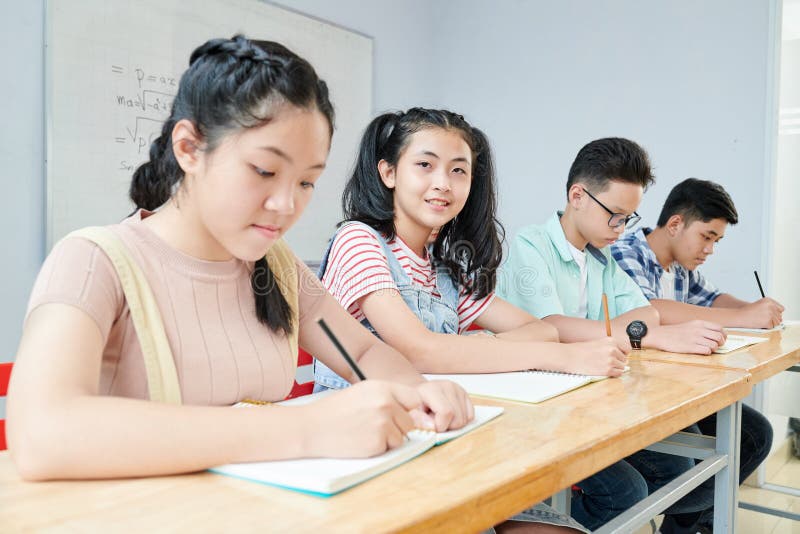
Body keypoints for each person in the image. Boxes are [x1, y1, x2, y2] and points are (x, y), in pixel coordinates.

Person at [7, 36, 473, 482]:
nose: (286, 205)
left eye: (307, 182)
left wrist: (420, 391)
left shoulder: (276, 267)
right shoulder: (95, 261)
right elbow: (42, 433)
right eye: (264, 171)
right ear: (189, 148)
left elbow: (362, 349)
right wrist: (305, 429)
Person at [314, 108, 592, 532]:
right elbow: (417, 350)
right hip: (368, 454)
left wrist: (473, 349)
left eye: (458, 170)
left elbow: (543, 330)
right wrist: (559, 358)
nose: (443, 183)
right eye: (425, 165)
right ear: (388, 172)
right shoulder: (361, 241)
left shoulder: (443, 267)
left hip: (446, 443)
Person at [497, 138, 721, 530]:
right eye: (615, 216)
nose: (620, 229)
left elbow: (647, 313)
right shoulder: (530, 245)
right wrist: (640, 337)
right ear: (578, 196)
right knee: (627, 493)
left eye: (628, 219)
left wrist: (626, 333)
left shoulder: (601, 259)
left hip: (590, 400)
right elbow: (550, 328)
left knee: (684, 472)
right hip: (541, 411)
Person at [611, 177, 775, 533]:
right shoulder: (626, 252)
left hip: (675, 387)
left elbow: (714, 300)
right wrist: (744, 318)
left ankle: (686, 526)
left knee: (755, 434)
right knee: (698, 466)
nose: (710, 249)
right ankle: (685, 520)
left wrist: (757, 309)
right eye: (707, 237)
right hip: (637, 395)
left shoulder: (683, 268)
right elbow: (650, 311)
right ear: (675, 224)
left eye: (716, 241)